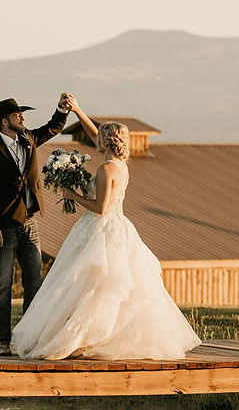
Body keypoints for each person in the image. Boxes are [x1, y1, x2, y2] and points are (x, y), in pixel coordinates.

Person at [11, 98, 200, 360]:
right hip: (118, 229)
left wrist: (72, 194)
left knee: (86, 285)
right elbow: (95, 133)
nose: (95, 139)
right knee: (102, 287)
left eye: (100, 137)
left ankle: (84, 337)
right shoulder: (120, 165)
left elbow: (100, 207)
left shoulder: (105, 170)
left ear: (106, 143)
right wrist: (77, 110)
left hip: (99, 230)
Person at [0, 94, 71, 355]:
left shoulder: (28, 139)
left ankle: (29, 339)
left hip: (30, 223)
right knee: (3, 285)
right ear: (4, 121)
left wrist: (61, 111)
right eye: (17, 115)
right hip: (4, 227)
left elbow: (52, 128)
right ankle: (2, 342)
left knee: (35, 284)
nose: (23, 118)